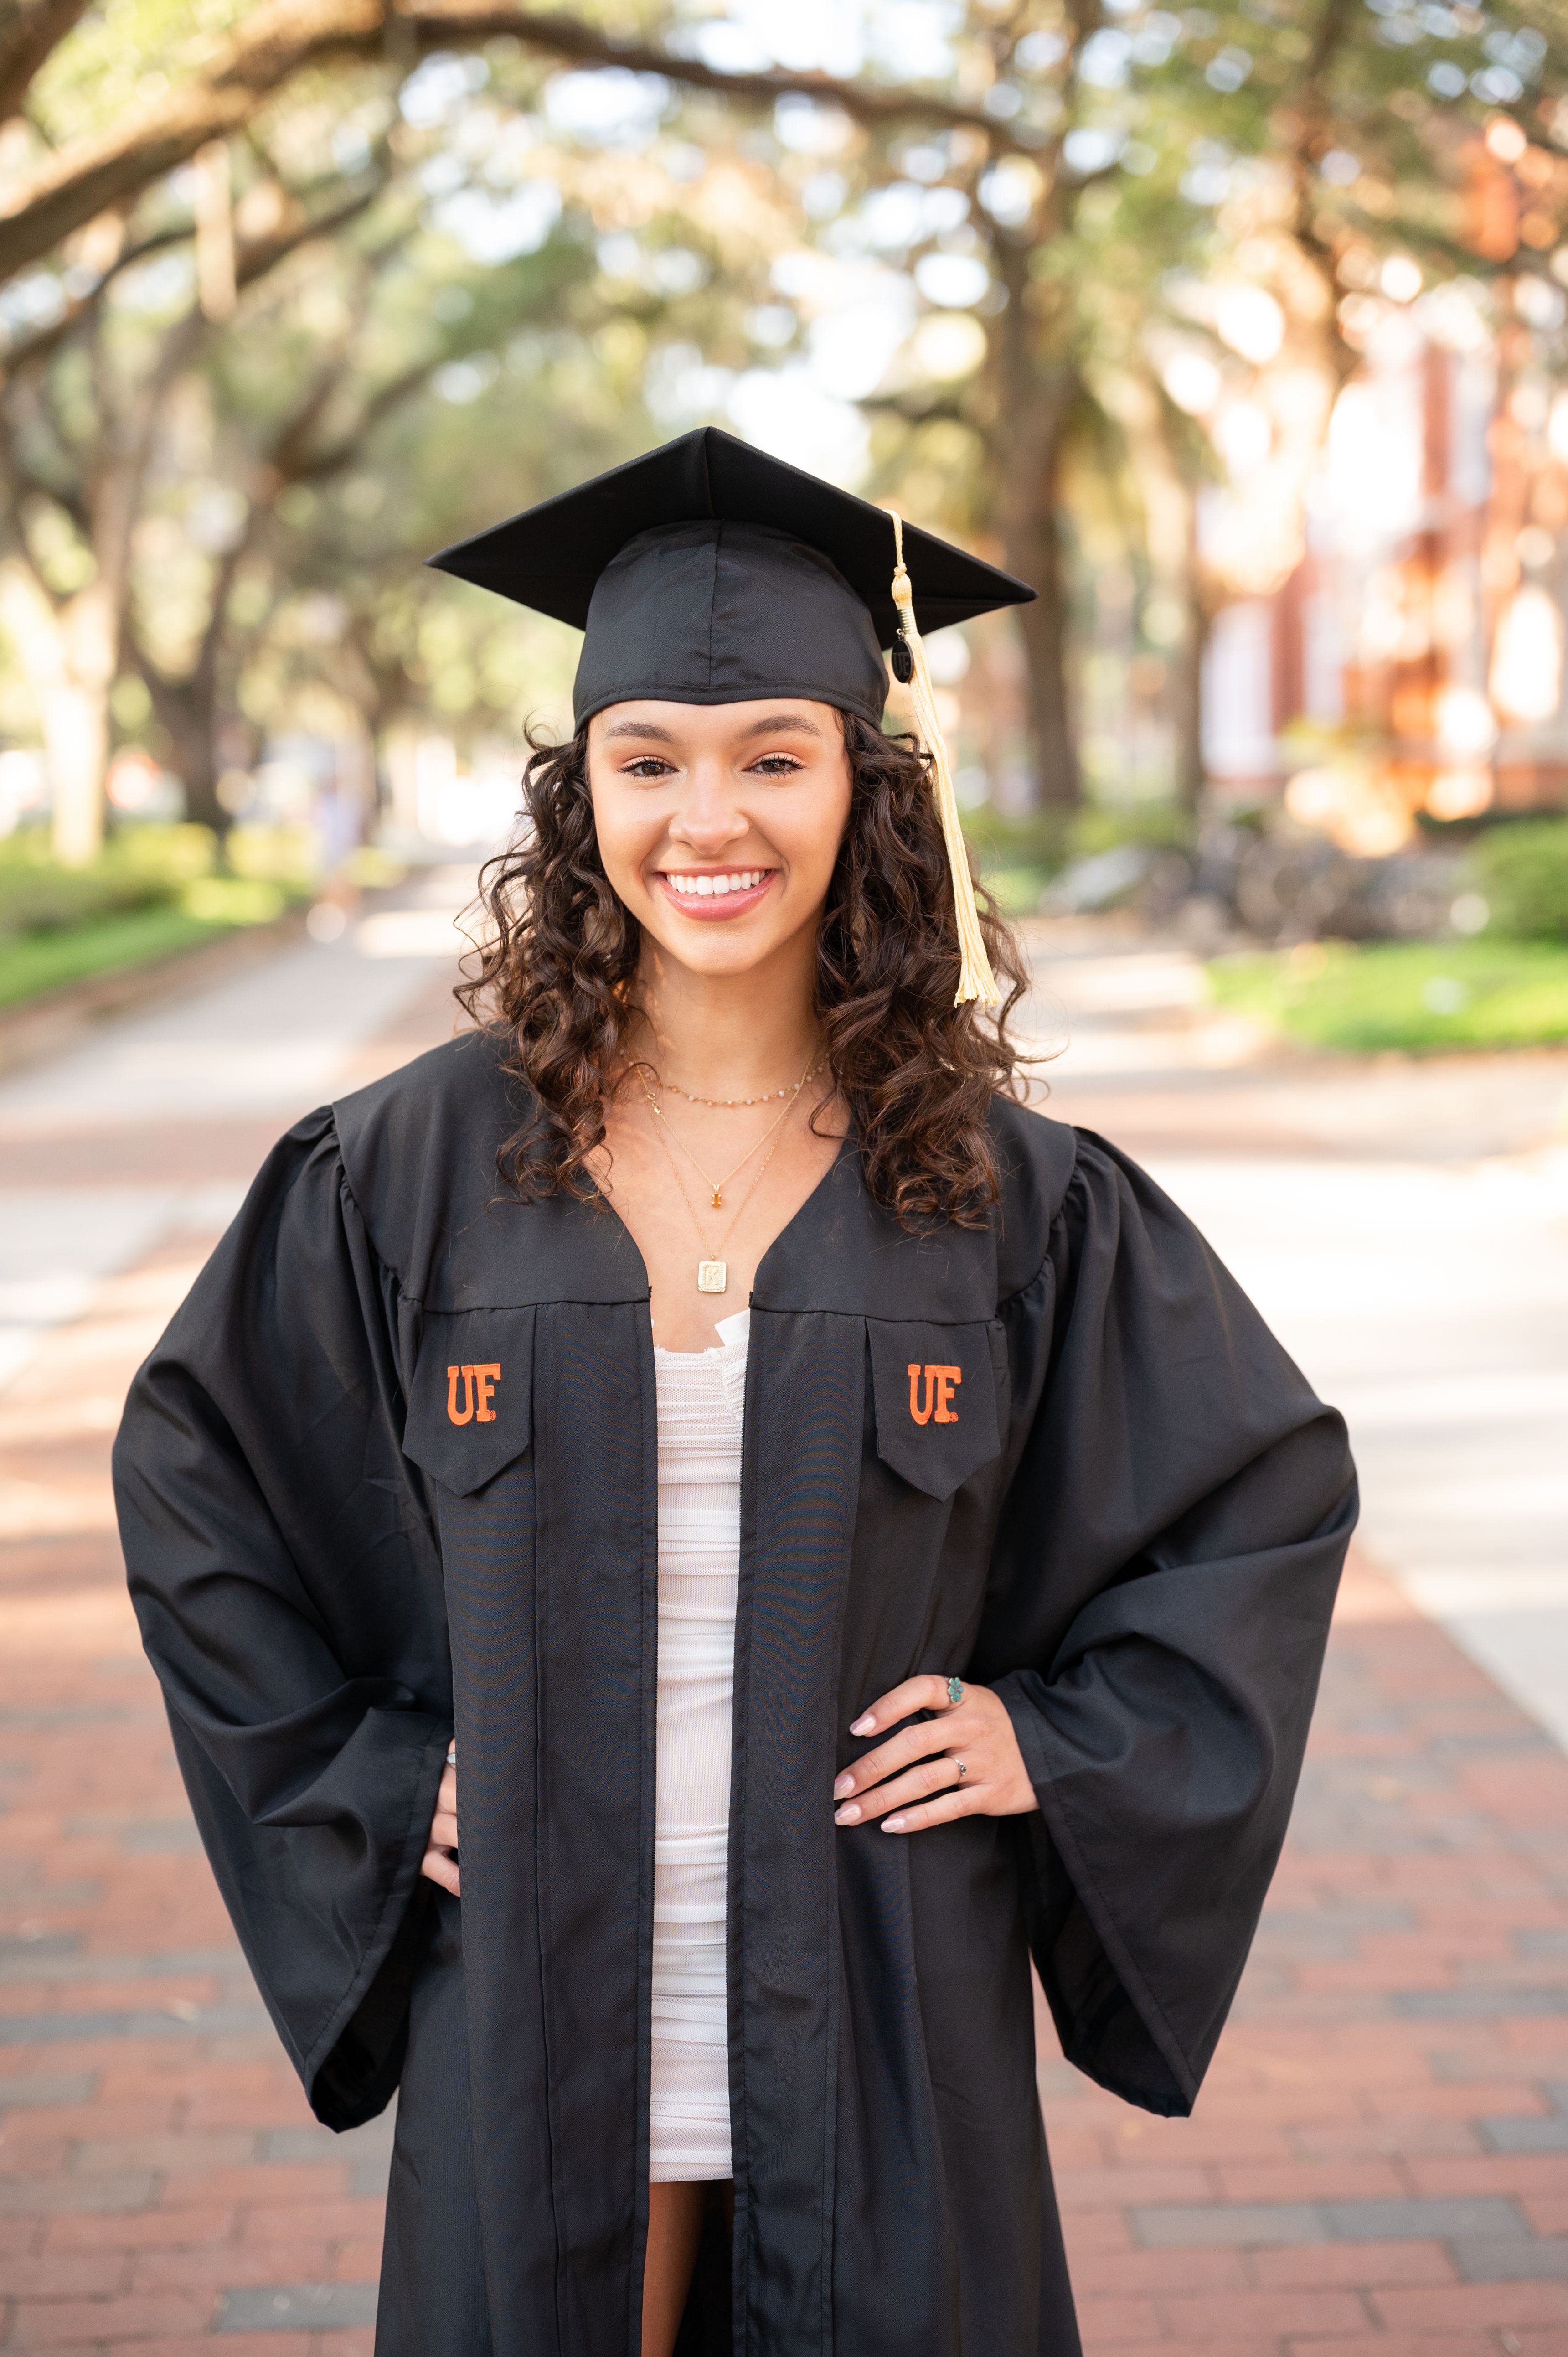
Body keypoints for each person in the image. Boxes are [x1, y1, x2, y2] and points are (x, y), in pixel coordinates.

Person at [113, 426, 1357, 2357]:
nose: (711, 820)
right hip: (536, 1983)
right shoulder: (402, 1175)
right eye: (650, 762)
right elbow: (205, 1494)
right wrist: (362, 1786)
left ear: (865, 789)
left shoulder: (1011, 1196)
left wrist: (1063, 1744)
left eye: (774, 756)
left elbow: (1247, 1501)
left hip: (869, 1996)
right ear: (579, 793)